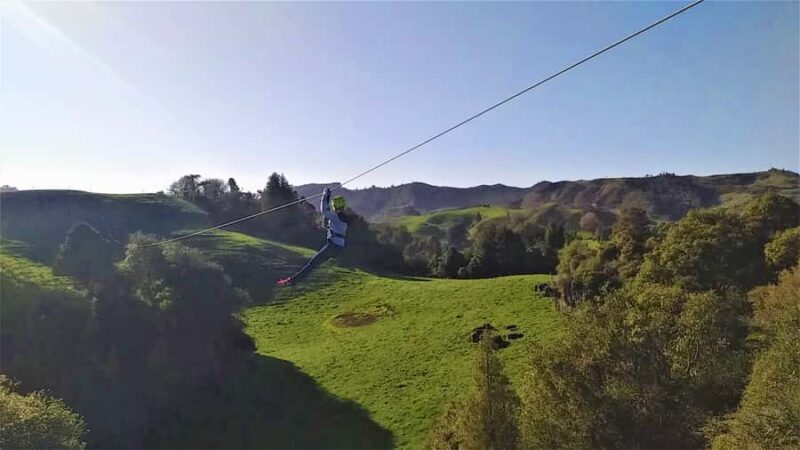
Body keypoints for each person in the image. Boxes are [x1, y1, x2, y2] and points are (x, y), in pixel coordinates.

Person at [278, 187, 347, 286]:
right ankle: (292, 281)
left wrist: (325, 195)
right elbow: (327, 213)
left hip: (332, 246)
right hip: (337, 246)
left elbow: (324, 210)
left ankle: (291, 281)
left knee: (312, 264)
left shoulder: (335, 217)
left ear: (335, 206)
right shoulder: (342, 218)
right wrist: (327, 197)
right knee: (314, 264)